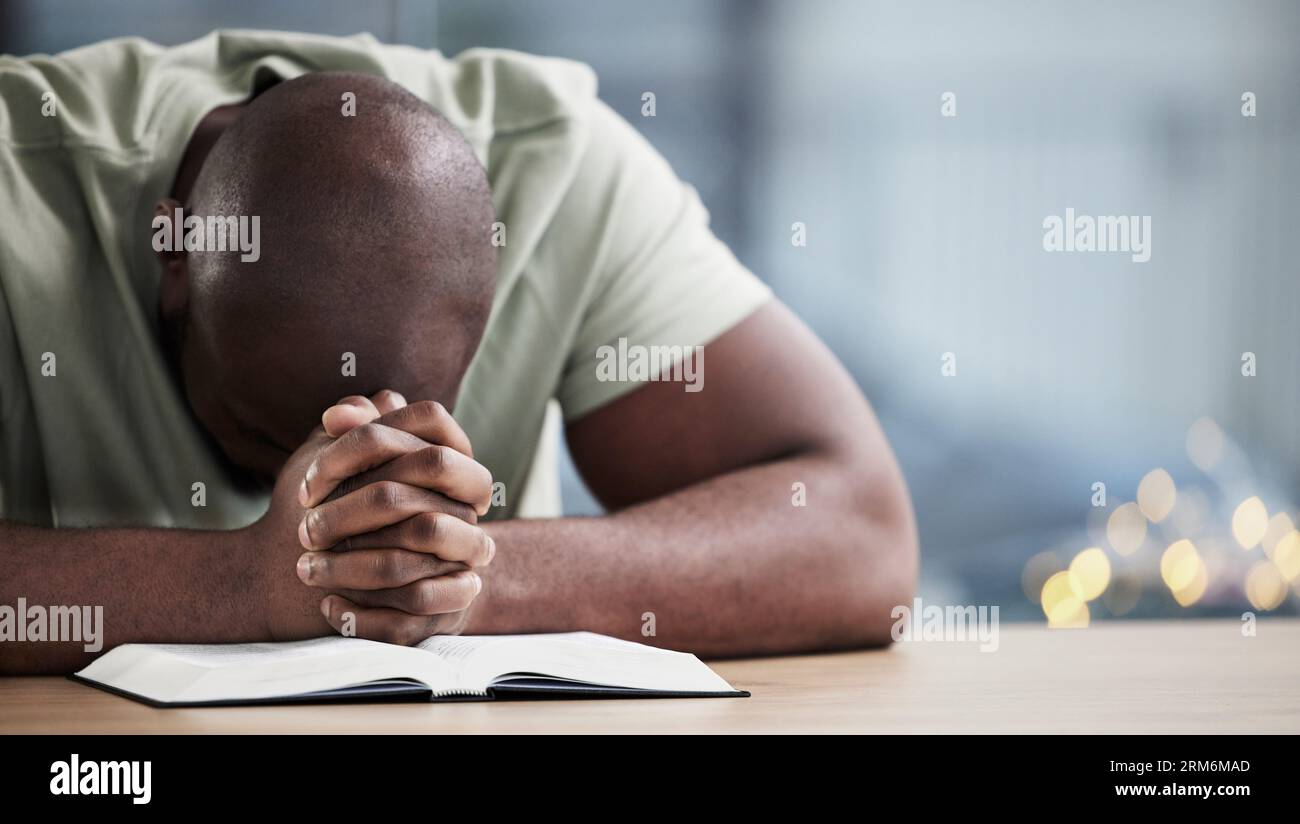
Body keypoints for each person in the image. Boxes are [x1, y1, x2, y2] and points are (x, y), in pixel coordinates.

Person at [0, 31, 916, 674]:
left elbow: (861, 535)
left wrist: (454, 572)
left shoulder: (563, 169)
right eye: (254, 433)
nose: (345, 491)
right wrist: (242, 583)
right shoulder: (14, 187)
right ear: (173, 257)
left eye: (405, 438)